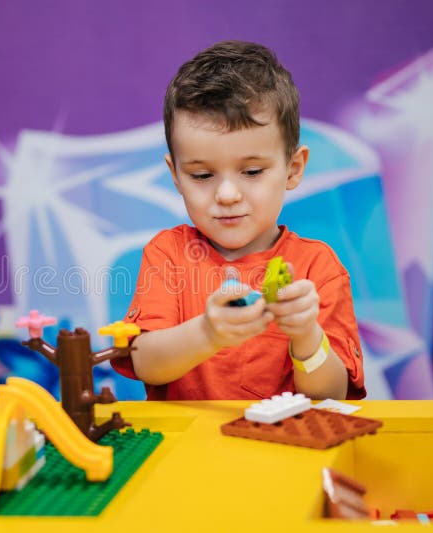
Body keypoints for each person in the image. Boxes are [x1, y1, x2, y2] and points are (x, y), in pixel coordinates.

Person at [111, 40, 365, 401]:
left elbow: (332, 395)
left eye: (251, 171)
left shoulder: (318, 268)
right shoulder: (167, 254)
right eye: (202, 176)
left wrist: (306, 335)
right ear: (175, 175)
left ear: (293, 169)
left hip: (285, 451)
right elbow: (144, 363)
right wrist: (207, 333)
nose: (227, 194)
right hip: (190, 452)